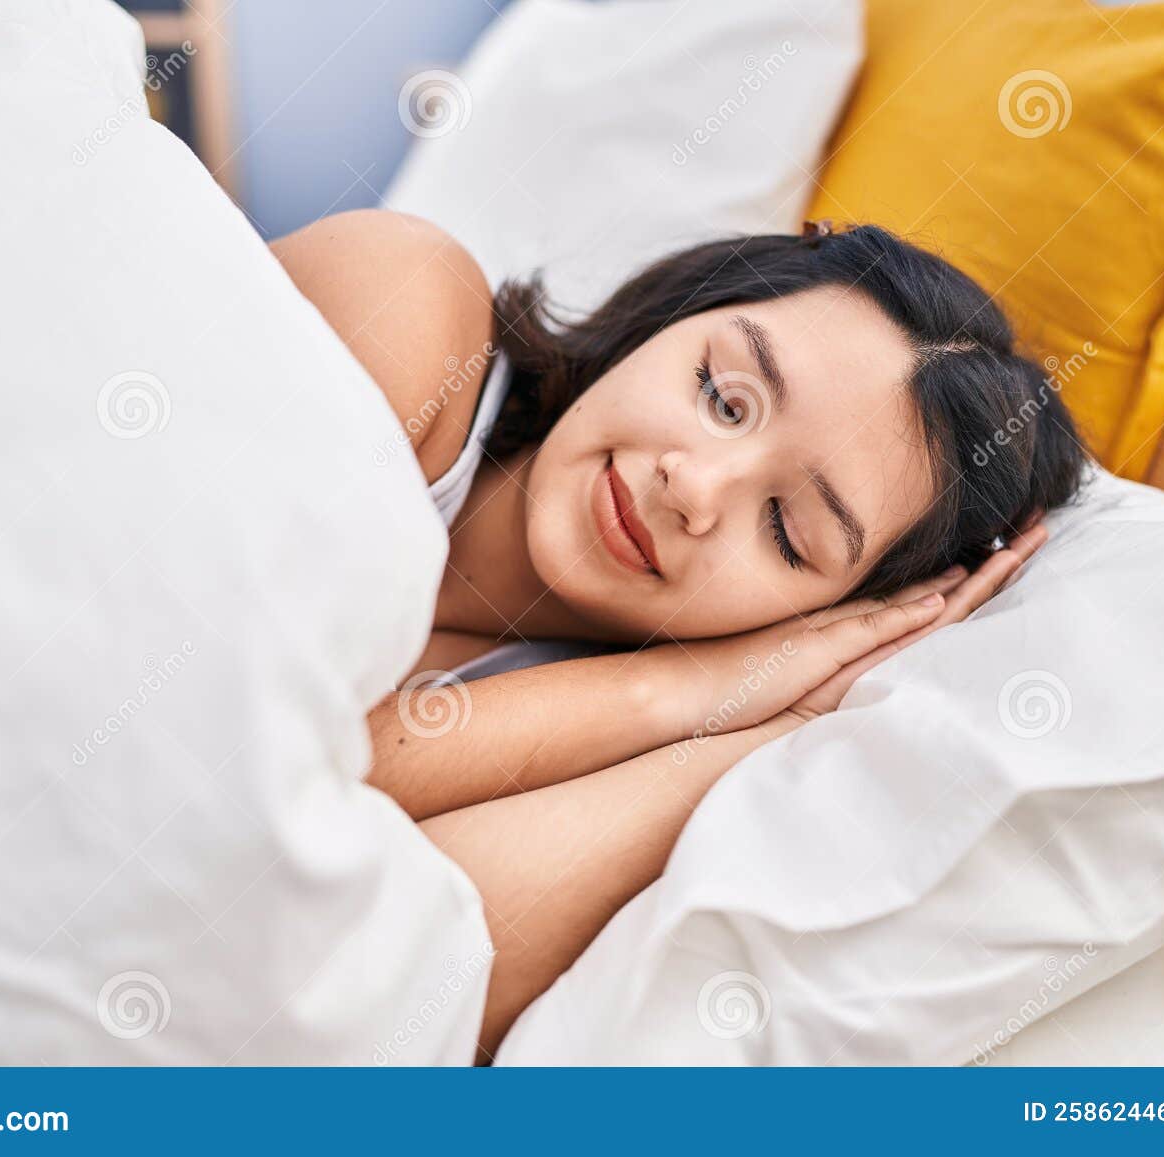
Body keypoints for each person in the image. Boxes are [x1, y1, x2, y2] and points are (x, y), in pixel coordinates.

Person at [271, 209, 1086, 1059]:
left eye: (784, 529)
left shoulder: (616, 744)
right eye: (720, 397)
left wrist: (756, 713)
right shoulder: (409, 312)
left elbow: (364, 983)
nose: (693, 485)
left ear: (825, 614)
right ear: (677, 314)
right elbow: (247, 749)